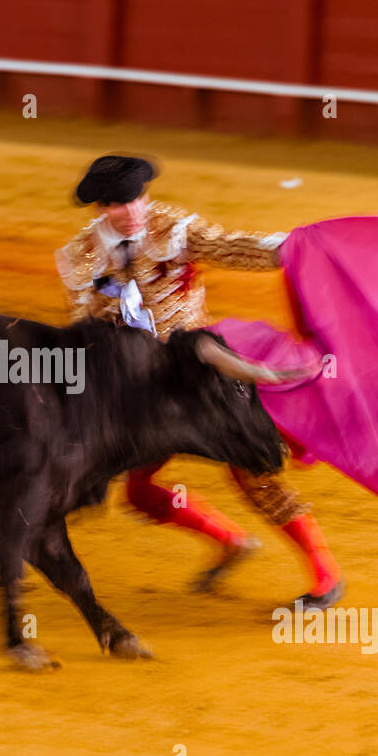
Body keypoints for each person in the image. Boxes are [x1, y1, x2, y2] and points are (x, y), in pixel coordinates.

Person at [54, 154, 344, 608]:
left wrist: (291, 247)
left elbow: (232, 247)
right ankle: (230, 541)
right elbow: (82, 326)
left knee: (254, 474)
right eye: (119, 205)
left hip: (206, 371)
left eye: (138, 199)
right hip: (145, 387)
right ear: (100, 208)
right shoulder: (80, 255)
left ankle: (326, 576)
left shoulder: (173, 229)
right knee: (139, 491)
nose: (133, 211)